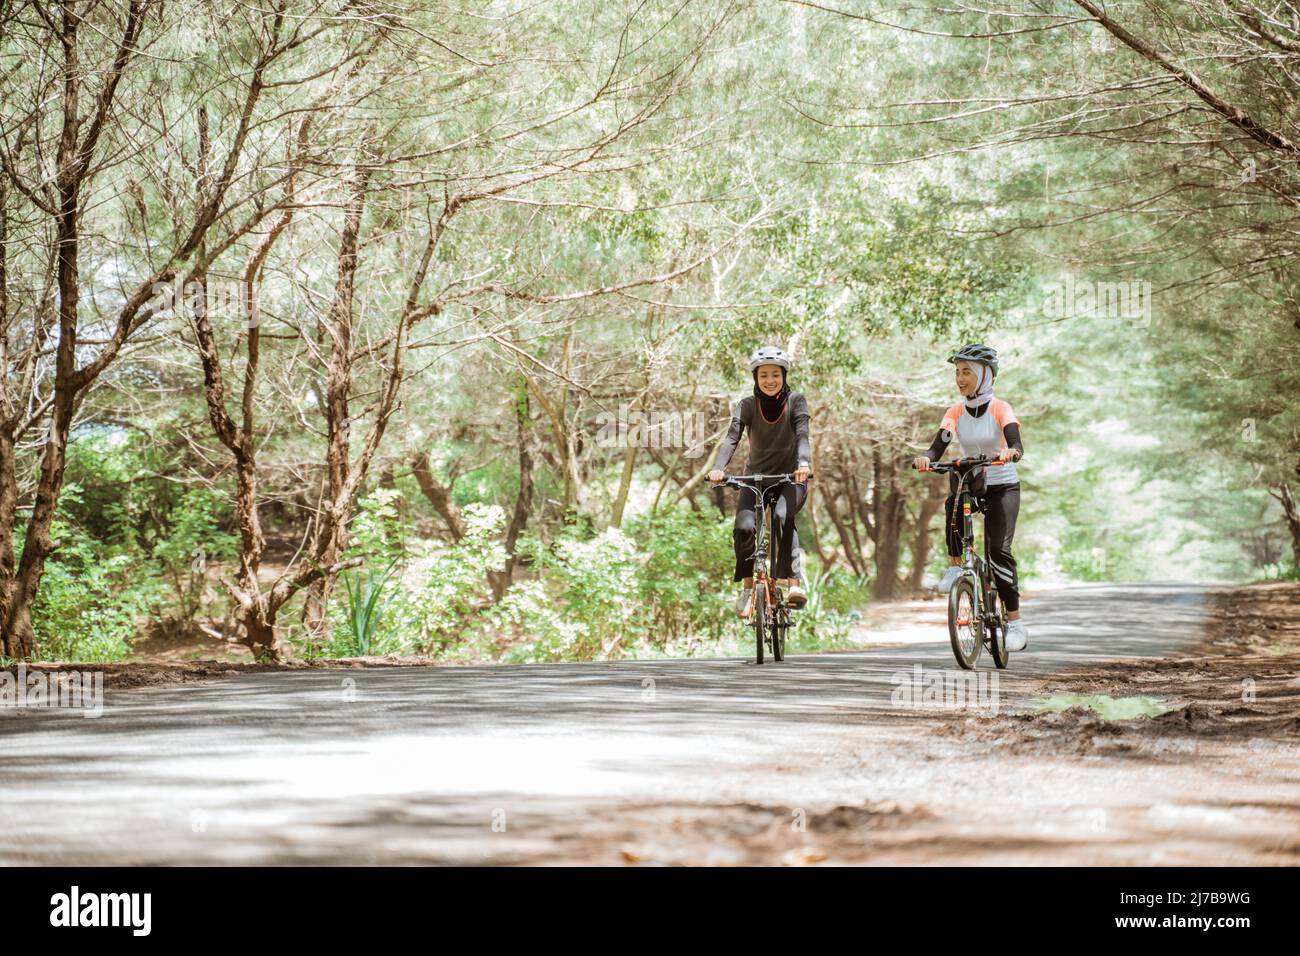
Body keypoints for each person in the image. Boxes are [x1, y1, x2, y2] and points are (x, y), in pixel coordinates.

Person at [912, 343, 1028, 651]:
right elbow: (939, 445)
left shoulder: (1001, 409)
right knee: (952, 503)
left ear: (985, 375)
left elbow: (1015, 440)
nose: (961, 378)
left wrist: (1011, 451)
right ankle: (955, 565)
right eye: (957, 372)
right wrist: (927, 457)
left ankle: (1015, 622)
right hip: (972, 483)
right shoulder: (955, 412)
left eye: (967, 372)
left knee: (998, 552)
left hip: (1003, 485)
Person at [708, 346, 812, 618]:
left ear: (784, 375)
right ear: (756, 377)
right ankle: (747, 588)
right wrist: (718, 468)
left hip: (791, 477)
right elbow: (732, 438)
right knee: (744, 528)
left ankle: (793, 585)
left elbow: (802, 434)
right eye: (763, 374)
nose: (769, 380)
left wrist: (803, 464)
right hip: (755, 478)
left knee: (781, 516)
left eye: (775, 374)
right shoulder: (747, 405)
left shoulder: (796, 401)